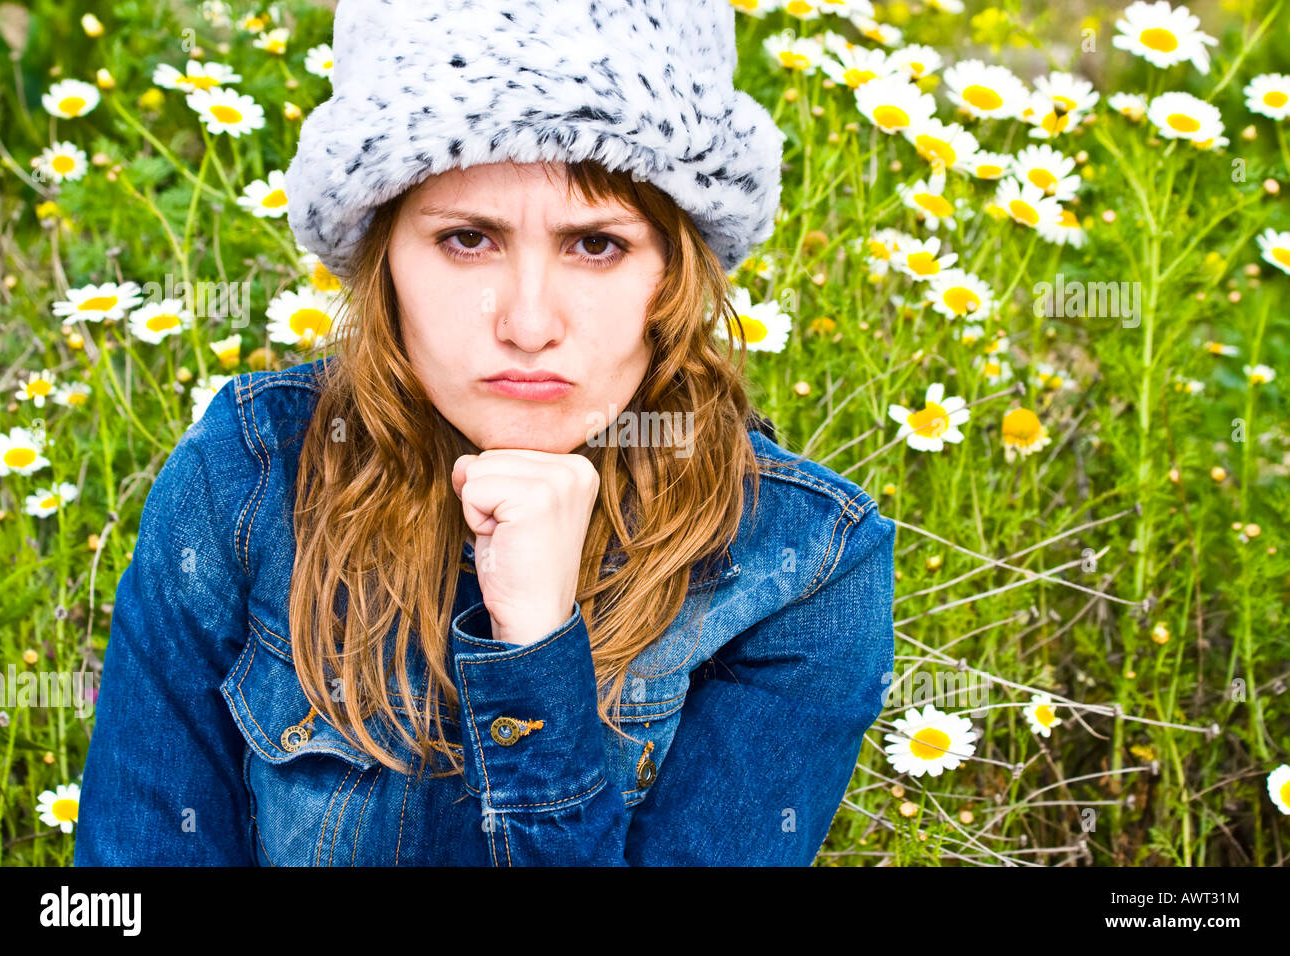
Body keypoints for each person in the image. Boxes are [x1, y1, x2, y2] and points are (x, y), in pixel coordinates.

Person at [74, 0, 896, 866]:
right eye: (468, 238)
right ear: (383, 252)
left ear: (675, 269)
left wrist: (537, 651)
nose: (530, 323)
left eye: (597, 245)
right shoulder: (246, 478)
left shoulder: (799, 565)